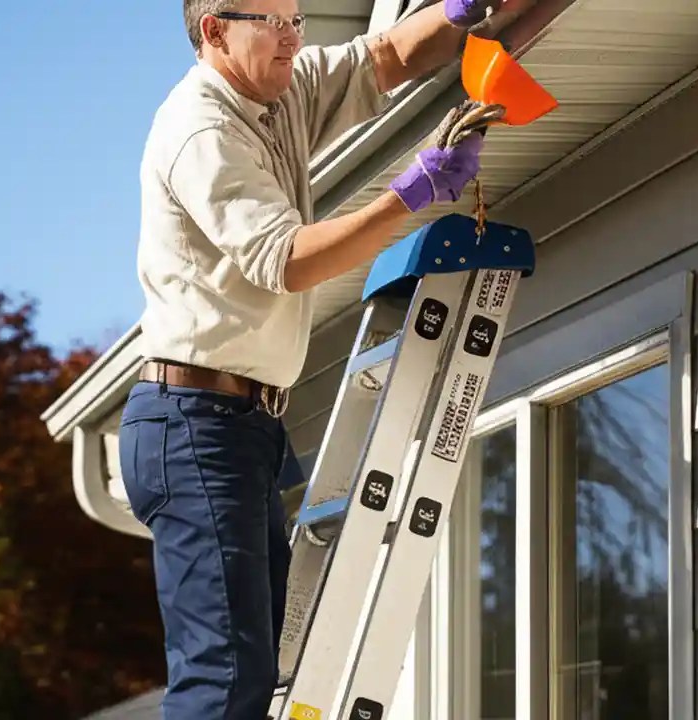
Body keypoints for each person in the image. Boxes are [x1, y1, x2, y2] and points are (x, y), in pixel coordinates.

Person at [118, 0, 505, 717]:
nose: (294, 38)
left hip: (240, 423)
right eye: (273, 22)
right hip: (194, 424)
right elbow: (288, 261)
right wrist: (412, 194)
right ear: (215, 30)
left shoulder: (280, 88)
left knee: (255, 671)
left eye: (297, 19)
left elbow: (383, 57)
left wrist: (463, 10)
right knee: (224, 681)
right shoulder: (202, 129)